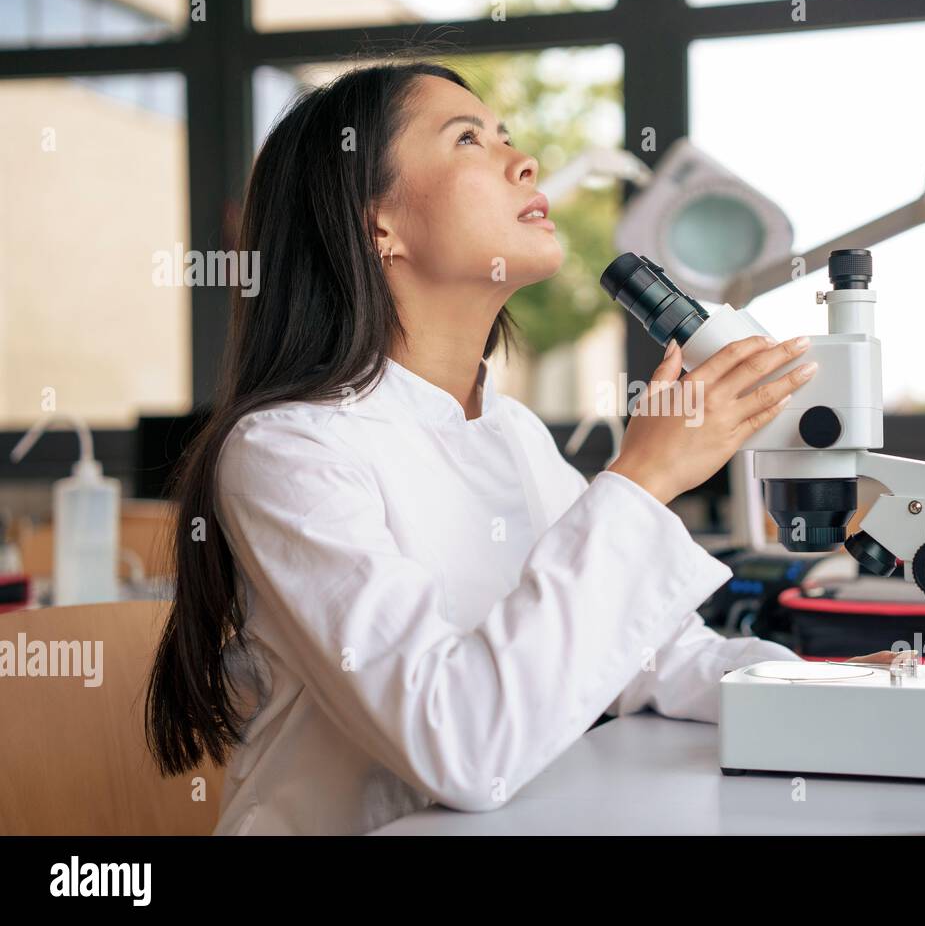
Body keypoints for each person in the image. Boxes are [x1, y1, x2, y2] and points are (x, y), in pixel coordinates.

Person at [145, 60, 863, 835]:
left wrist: (830, 689)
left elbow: (653, 660)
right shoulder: (287, 452)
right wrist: (646, 473)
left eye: (508, 137)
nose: (522, 160)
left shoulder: (509, 431)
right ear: (376, 224)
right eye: (468, 140)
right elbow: (463, 744)